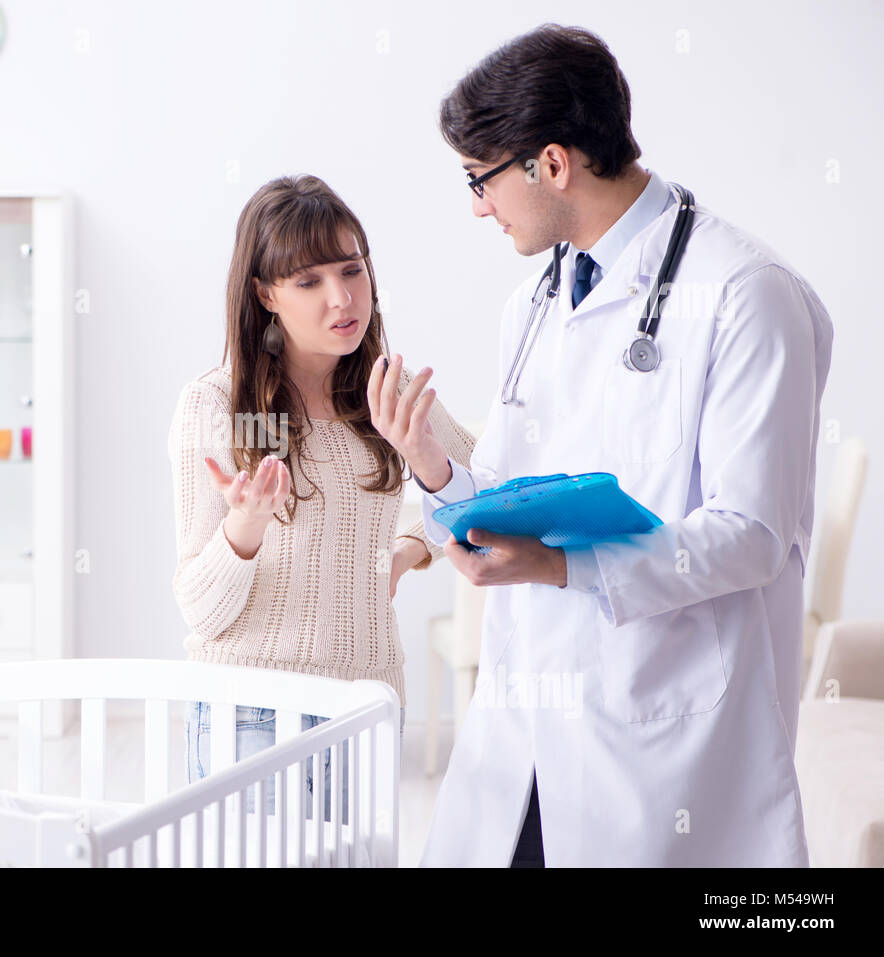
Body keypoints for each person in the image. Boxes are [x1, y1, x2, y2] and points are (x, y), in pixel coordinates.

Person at [413, 24, 832, 866]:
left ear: (552, 163)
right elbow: (509, 482)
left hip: (660, 738)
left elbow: (752, 533)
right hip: (524, 726)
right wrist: (432, 465)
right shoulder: (535, 298)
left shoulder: (747, 294)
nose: (476, 206)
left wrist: (561, 565)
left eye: (480, 178)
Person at [167, 173, 476, 822]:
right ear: (265, 293)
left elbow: (490, 493)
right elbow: (201, 608)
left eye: (351, 270)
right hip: (249, 709)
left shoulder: (386, 392)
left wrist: (408, 549)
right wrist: (245, 525)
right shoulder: (219, 406)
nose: (342, 298)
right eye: (308, 281)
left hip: (366, 705)